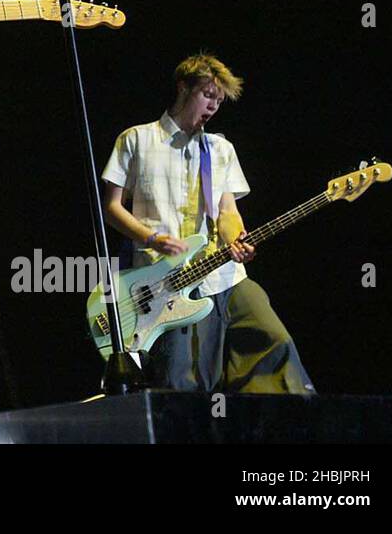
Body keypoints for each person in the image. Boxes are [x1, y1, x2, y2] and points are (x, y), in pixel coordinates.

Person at [101, 53, 314, 393]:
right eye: (208, 95)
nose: (214, 105)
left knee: (275, 342)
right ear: (183, 87)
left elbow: (227, 209)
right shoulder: (136, 140)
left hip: (223, 273)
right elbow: (112, 207)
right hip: (164, 281)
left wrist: (237, 238)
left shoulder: (219, 149)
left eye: (219, 99)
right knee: (180, 381)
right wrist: (152, 238)